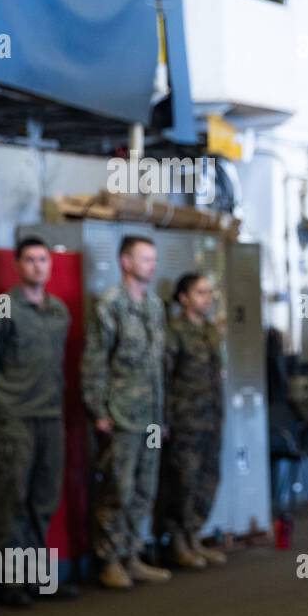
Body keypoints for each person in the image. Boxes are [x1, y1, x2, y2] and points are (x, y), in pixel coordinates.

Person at [0, 237, 73, 606]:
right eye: (29, 259)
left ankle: (37, 577)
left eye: (43, 259)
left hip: (50, 417)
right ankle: (8, 581)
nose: (37, 266)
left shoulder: (58, 311)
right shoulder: (2, 307)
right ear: (17, 265)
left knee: (44, 500)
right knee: (11, 499)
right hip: (14, 418)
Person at [81, 235, 171, 590]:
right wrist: (98, 410)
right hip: (121, 414)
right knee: (118, 488)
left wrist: (162, 416)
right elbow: (95, 361)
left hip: (151, 416)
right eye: (145, 258)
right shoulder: (110, 305)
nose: (152, 265)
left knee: (145, 489)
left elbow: (158, 366)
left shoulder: (154, 306)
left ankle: (132, 555)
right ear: (125, 262)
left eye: (154, 259)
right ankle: (109, 560)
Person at [161, 272, 227, 570]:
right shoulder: (174, 332)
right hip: (184, 421)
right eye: (201, 292)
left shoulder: (211, 331)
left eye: (209, 292)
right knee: (182, 483)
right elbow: (164, 378)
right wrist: (164, 421)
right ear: (183, 298)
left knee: (208, 480)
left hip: (212, 419)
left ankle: (194, 536)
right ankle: (178, 543)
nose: (208, 298)